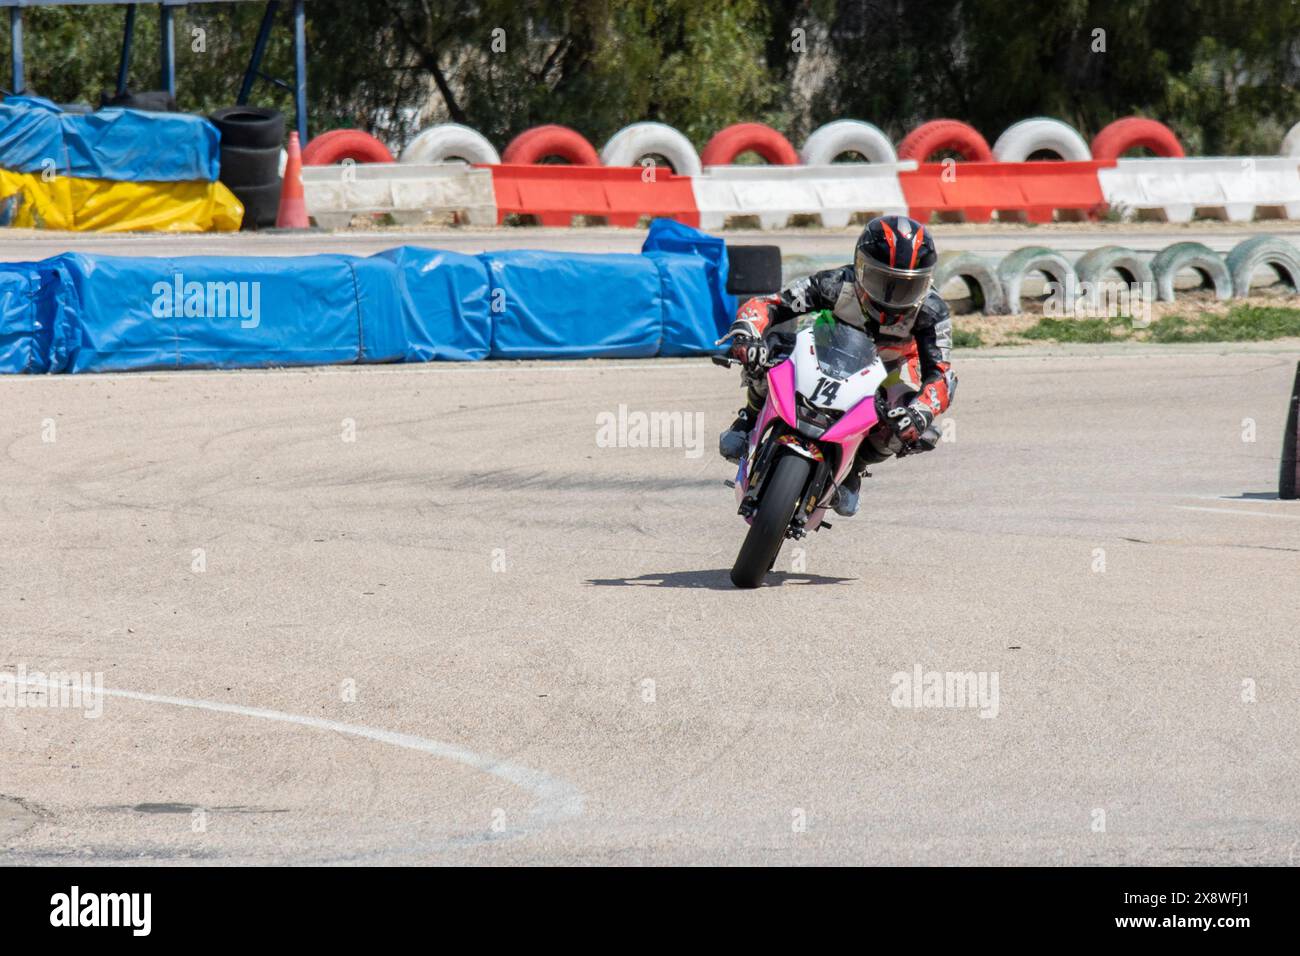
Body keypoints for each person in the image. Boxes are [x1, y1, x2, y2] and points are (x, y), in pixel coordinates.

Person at [718, 215, 956, 517]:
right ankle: (749, 418)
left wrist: (921, 411)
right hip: (829, 347)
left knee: (902, 423)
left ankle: (855, 468)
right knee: (770, 352)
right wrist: (747, 332)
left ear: (926, 282)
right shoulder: (835, 283)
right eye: (882, 281)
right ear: (859, 268)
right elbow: (772, 304)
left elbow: (942, 374)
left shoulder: (932, 311)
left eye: (907, 287)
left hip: (890, 369)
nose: (892, 296)